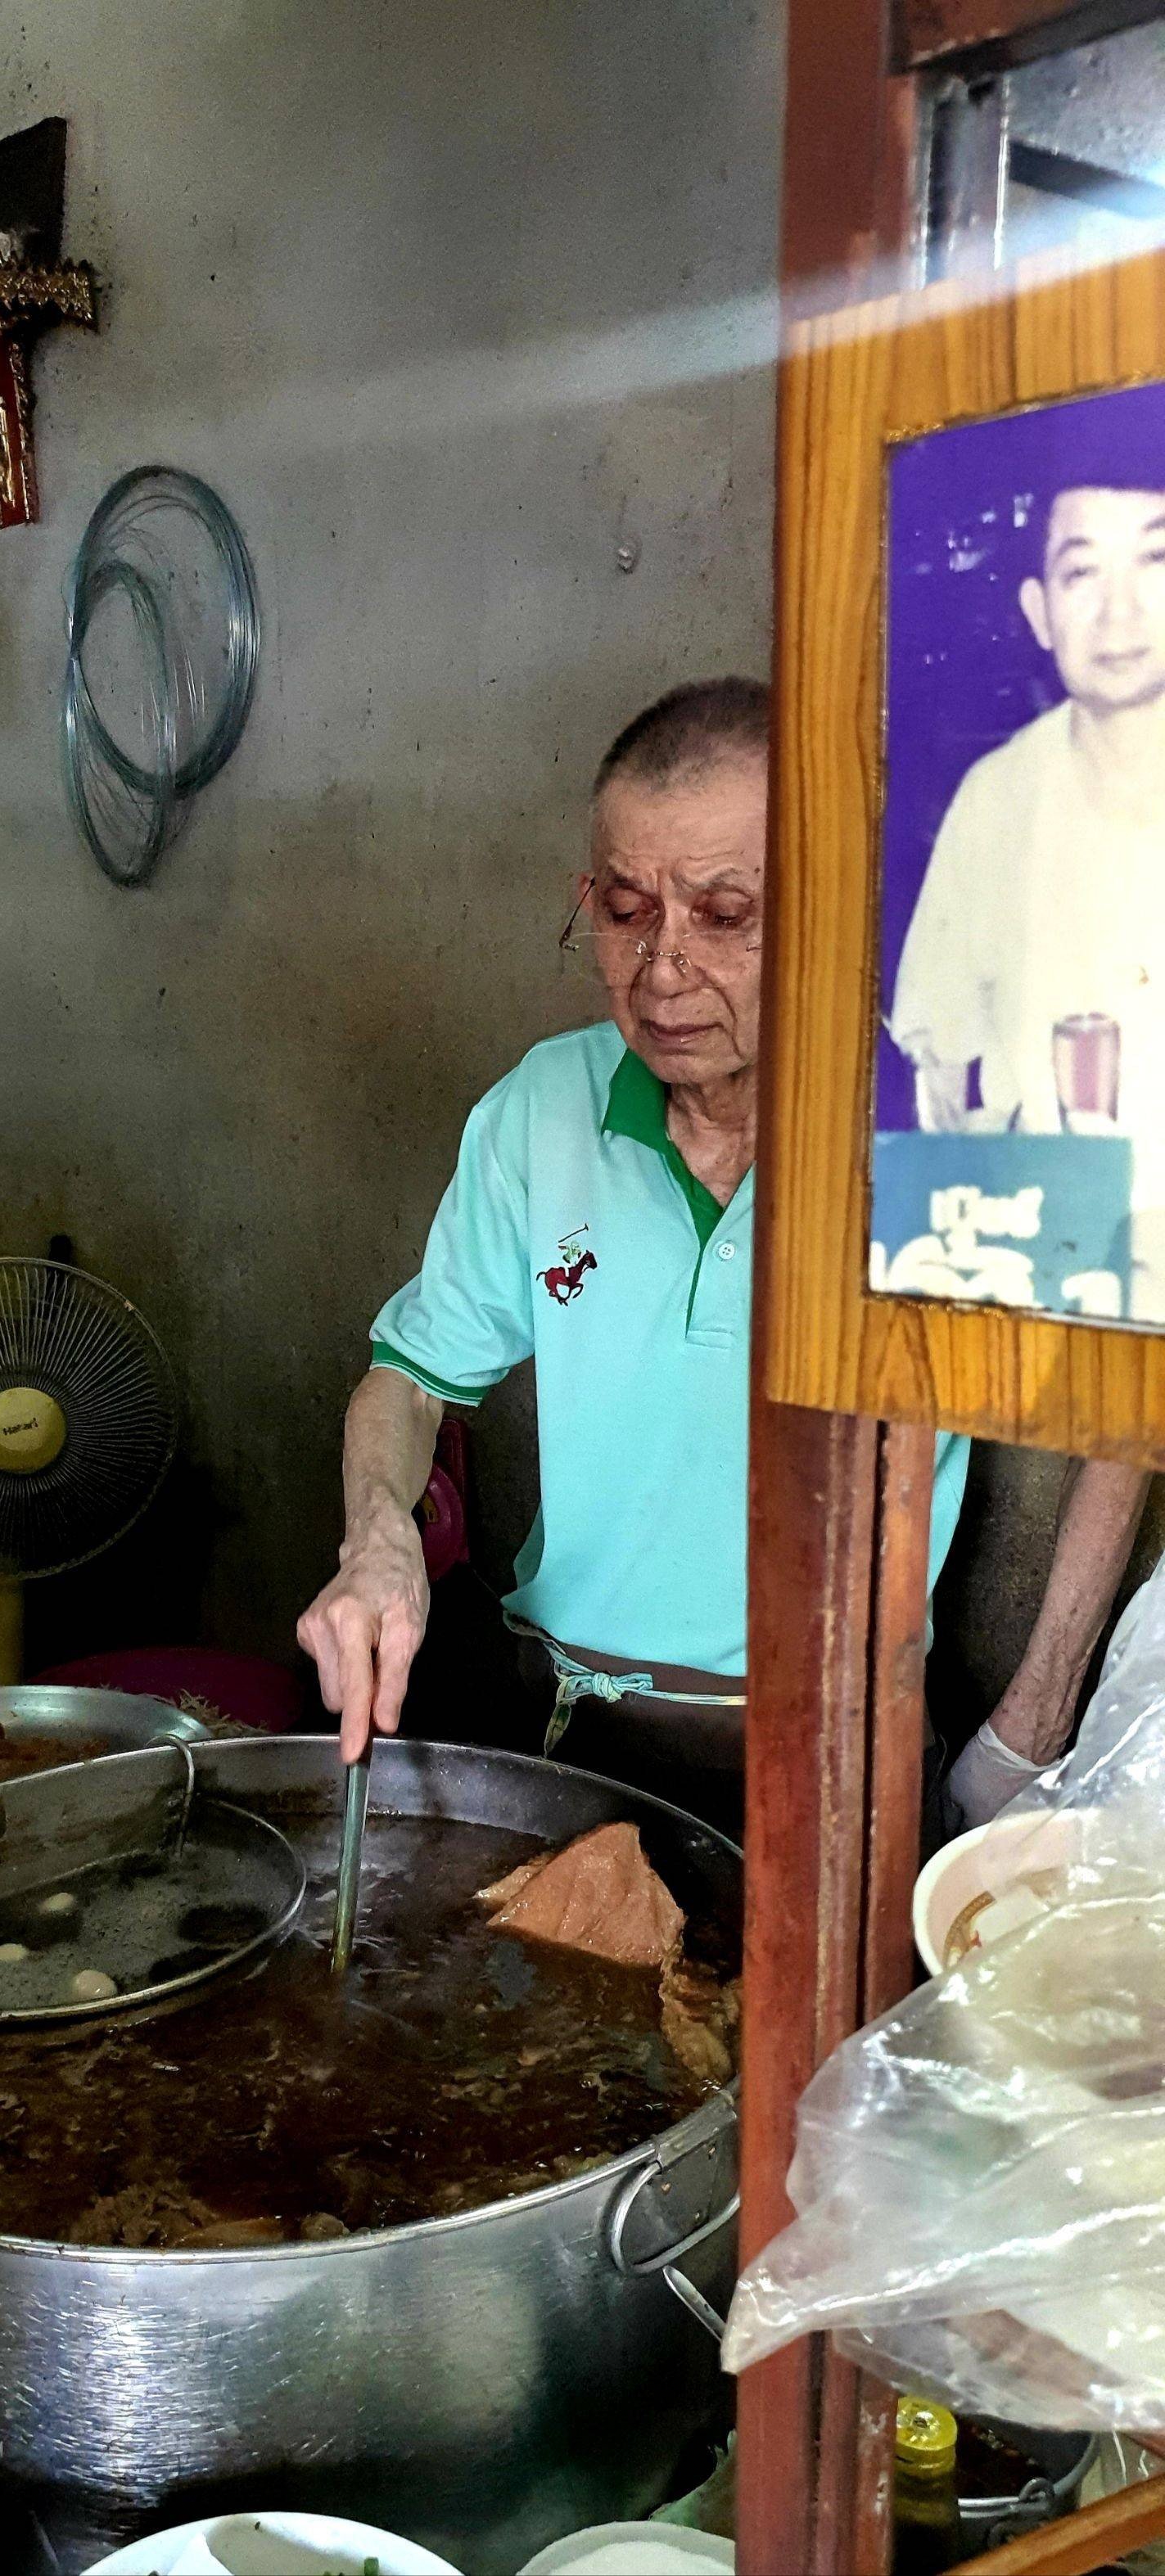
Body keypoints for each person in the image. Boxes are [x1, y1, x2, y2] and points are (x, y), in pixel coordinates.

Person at [297, 678, 1149, 1829]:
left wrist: (1033, 1724)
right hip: (557, 1729)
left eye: (726, 911)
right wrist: (380, 1534)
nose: (661, 968)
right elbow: (406, 1380)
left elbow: (1133, 1388)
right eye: (625, 905)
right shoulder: (541, 1112)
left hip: (833, 1756)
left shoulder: (949, 1127)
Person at [891, 458, 1165, 1316]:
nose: (1120, 612)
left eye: (1154, 561)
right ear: (1040, 612)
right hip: (1053, 1287)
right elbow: (941, 1079)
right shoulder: (996, 799)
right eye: (1083, 571)